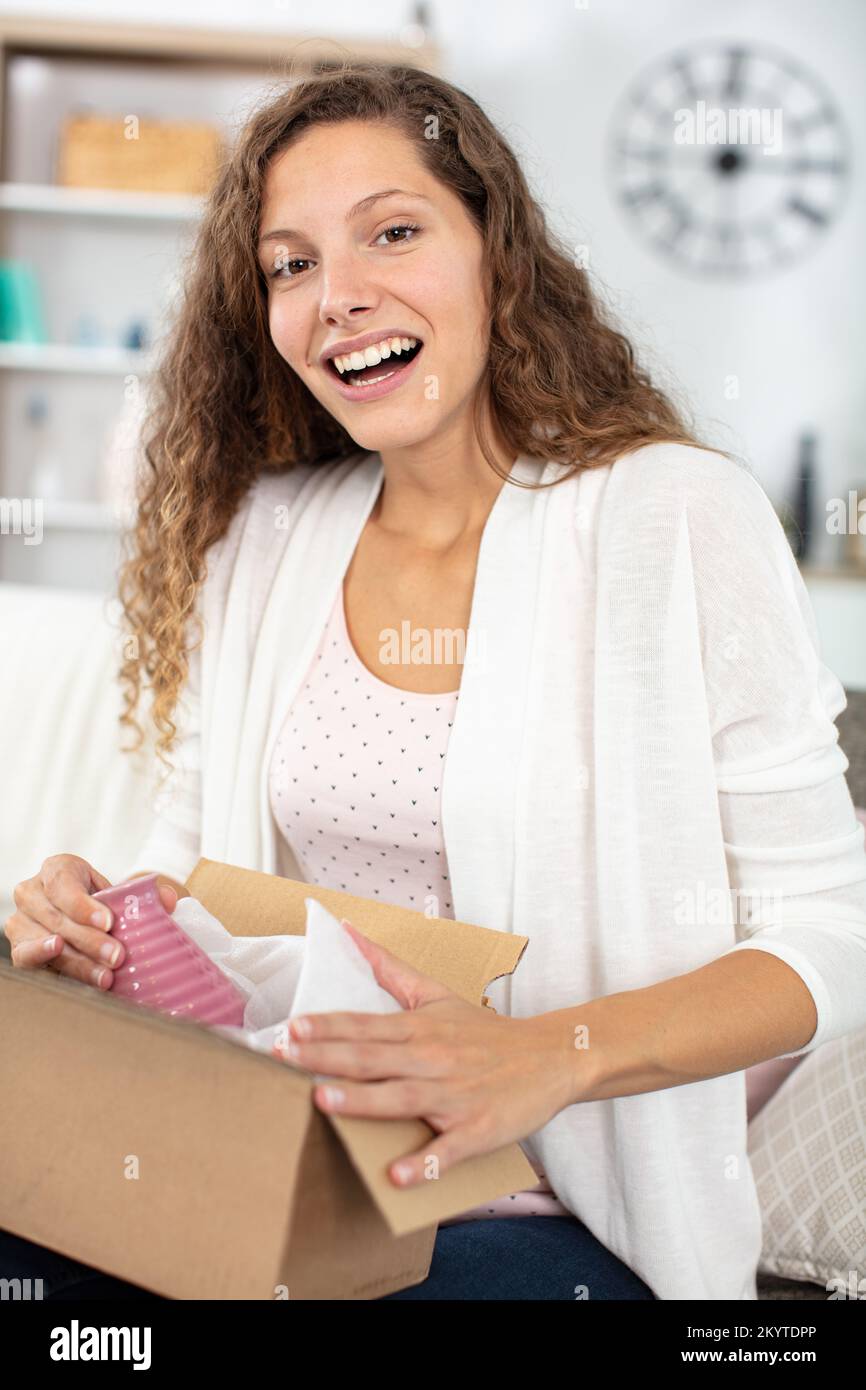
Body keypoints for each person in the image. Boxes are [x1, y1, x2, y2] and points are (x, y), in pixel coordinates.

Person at [5, 61, 866, 1302]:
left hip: (556, 1209)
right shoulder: (263, 534)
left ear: (495, 257)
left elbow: (833, 933)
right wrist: (94, 914)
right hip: (270, 1162)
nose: (338, 297)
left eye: (392, 234)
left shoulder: (671, 517)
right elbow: (194, 869)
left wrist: (540, 1057)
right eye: (289, 264)